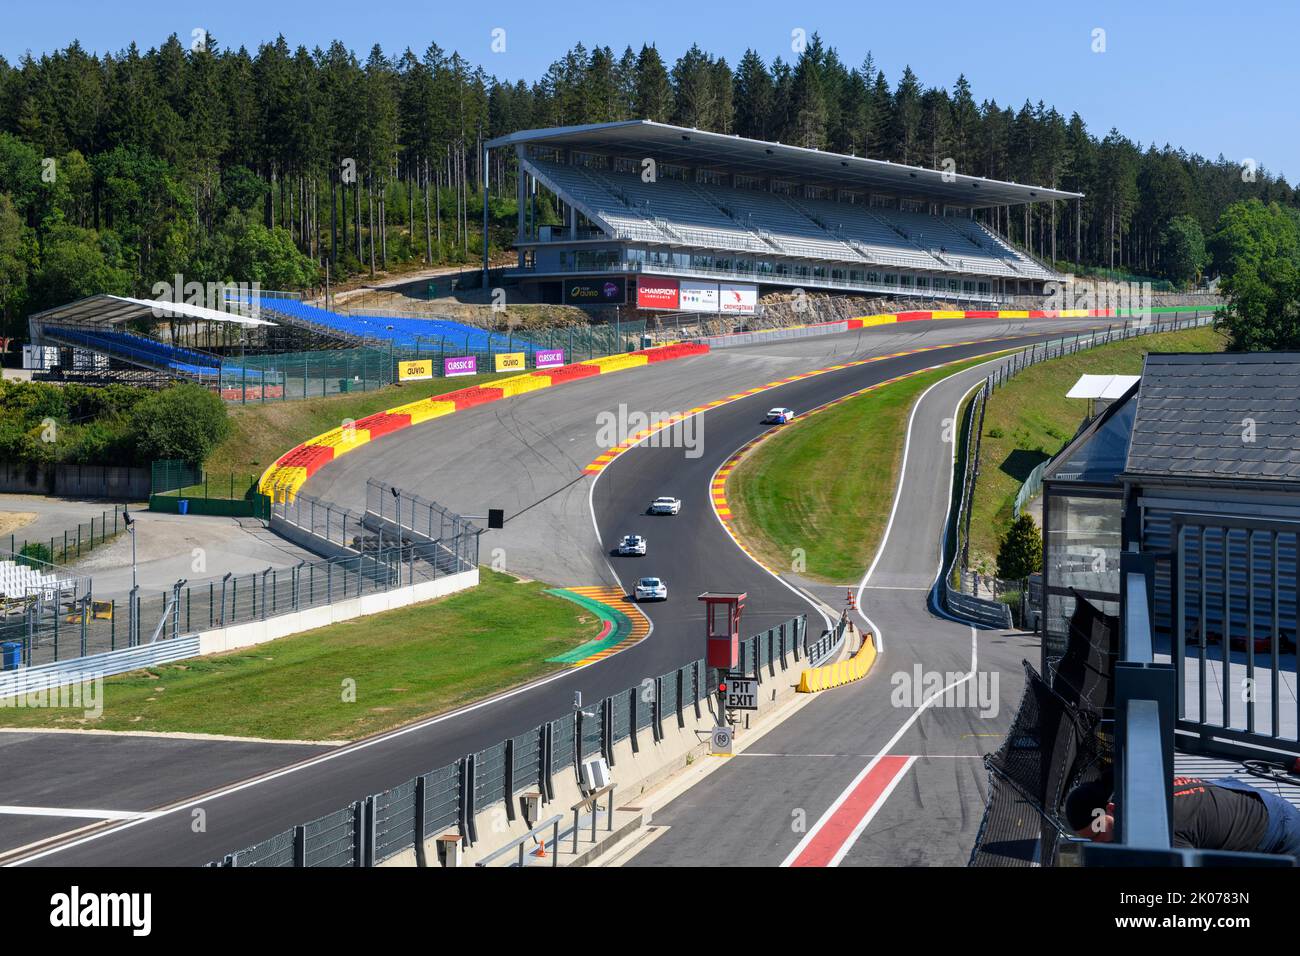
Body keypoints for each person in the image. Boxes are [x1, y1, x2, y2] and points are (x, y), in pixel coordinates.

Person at [1065, 774, 1300, 859]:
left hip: (1281, 835)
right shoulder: (1142, 785)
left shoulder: (1162, 829)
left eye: (1097, 832)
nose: (1098, 844)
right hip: (1259, 802)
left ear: (1113, 809)